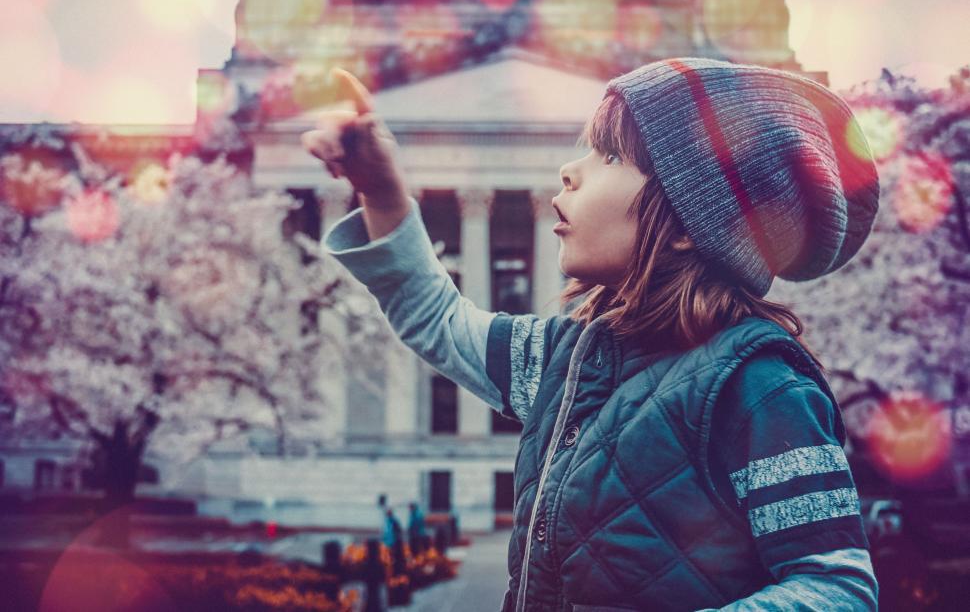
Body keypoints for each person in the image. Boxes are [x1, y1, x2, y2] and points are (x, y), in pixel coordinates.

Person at [303, 60, 880, 610]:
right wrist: (380, 191)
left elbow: (837, 588)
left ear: (685, 224)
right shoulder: (570, 361)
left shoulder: (760, 387)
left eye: (609, 154)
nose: (569, 169)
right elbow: (440, 322)